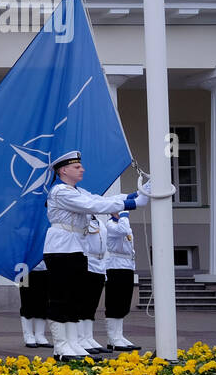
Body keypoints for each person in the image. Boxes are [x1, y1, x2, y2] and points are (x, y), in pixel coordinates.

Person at [43, 151, 153, 361]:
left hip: (76, 247)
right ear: (63, 170)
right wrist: (131, 204)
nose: (82, 169)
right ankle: (61, 346)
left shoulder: (78, 190)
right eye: (77, 167)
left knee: (74, 298)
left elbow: (101, 199)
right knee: (61, 297)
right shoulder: (60, 192)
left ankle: (73, 343)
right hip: (60, 247)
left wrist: (140, 193)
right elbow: (94, 206)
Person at [104, 210, 139, 352]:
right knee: (115, 302)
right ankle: (112, 338)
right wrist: (124, 215)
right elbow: (123, 229)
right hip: (115, 266)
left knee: (124, 303)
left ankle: (119, 335)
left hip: (127, 266)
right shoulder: (110, 225)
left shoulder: (124, 225)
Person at [79, 215, 109, 356]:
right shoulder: (82, 219)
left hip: (100, 264)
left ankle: (88, 337)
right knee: (83, 303)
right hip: (88, 263)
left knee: (92, 305)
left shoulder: (100, 221)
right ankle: (81, 338)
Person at [17, 260, 52, 350]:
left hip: (45, 270)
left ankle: (40, 335)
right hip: (25, 269)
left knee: (43, 303)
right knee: (27, 302)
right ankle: (28, 336)